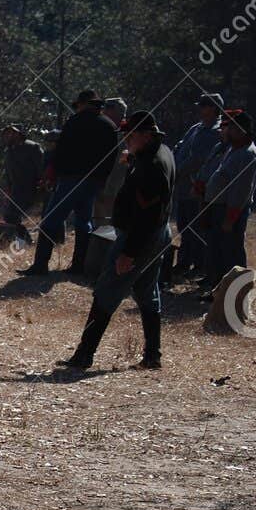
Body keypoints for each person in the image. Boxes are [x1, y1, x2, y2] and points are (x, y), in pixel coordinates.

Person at [58, 111, 174, 372]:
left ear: (146, 136)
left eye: (131, 136)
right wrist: (132, 159)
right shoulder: (161, 153)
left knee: (105, 292)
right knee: (147, 294)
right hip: (158, 234)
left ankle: (84, 356)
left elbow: (147, 215)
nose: (127, 140)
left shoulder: (151, 166)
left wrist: (129, 253)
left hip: (139, 237)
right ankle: (152, 355)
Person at [20, 90, 122, 276]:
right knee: (84, 223)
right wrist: (101, 180)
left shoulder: (74, 122)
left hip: (71, 180)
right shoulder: (109, 126)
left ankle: (40, 265)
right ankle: (79, 266)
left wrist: (53, 175)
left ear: (83, 104)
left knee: (50, 220)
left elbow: (61, 152)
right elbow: (111, 159)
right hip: (93, 182)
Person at [198, 108, 256, 299]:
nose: (227, 131)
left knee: (231, 254)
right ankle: (218, 291)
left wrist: (230, 218)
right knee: (218, 252)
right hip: (219, 208)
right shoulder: (234, 148)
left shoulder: (247, 154)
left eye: (232, 128)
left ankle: (237, 294)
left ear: (242, 130)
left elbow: (241, 191)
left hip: (230, 211)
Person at [172, 93, 225, 278]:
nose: (200, 109)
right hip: (184, 186)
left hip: (198, 187)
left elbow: (198, 159)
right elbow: (180, 146)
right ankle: (184, 262)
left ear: (213, 108)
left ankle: (199, 265)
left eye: (203, 106)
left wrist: (178, 171)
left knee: (198, 228)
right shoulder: (196, 127)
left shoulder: (216, 131)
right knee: (184, 225)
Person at [0, 124, 45, 246]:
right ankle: (24, 241)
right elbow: (8, 173)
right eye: (6, 134)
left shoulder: (32, 147)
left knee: (12, 215)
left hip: (32, 189)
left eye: (11, 133)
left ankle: (27, 241)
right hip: (16, 190)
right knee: (9, 216)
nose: (7, 136)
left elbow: (42, 168)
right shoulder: (9, 151)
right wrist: (8, 190)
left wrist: (42, 185)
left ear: (19, 134)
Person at [93, 98, 129, 224]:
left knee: (113, 220)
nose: (104, 111)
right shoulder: (102, 129)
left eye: (108, 108)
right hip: (101, 184)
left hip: (117, 186)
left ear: (118, 112)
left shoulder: (127, 133)